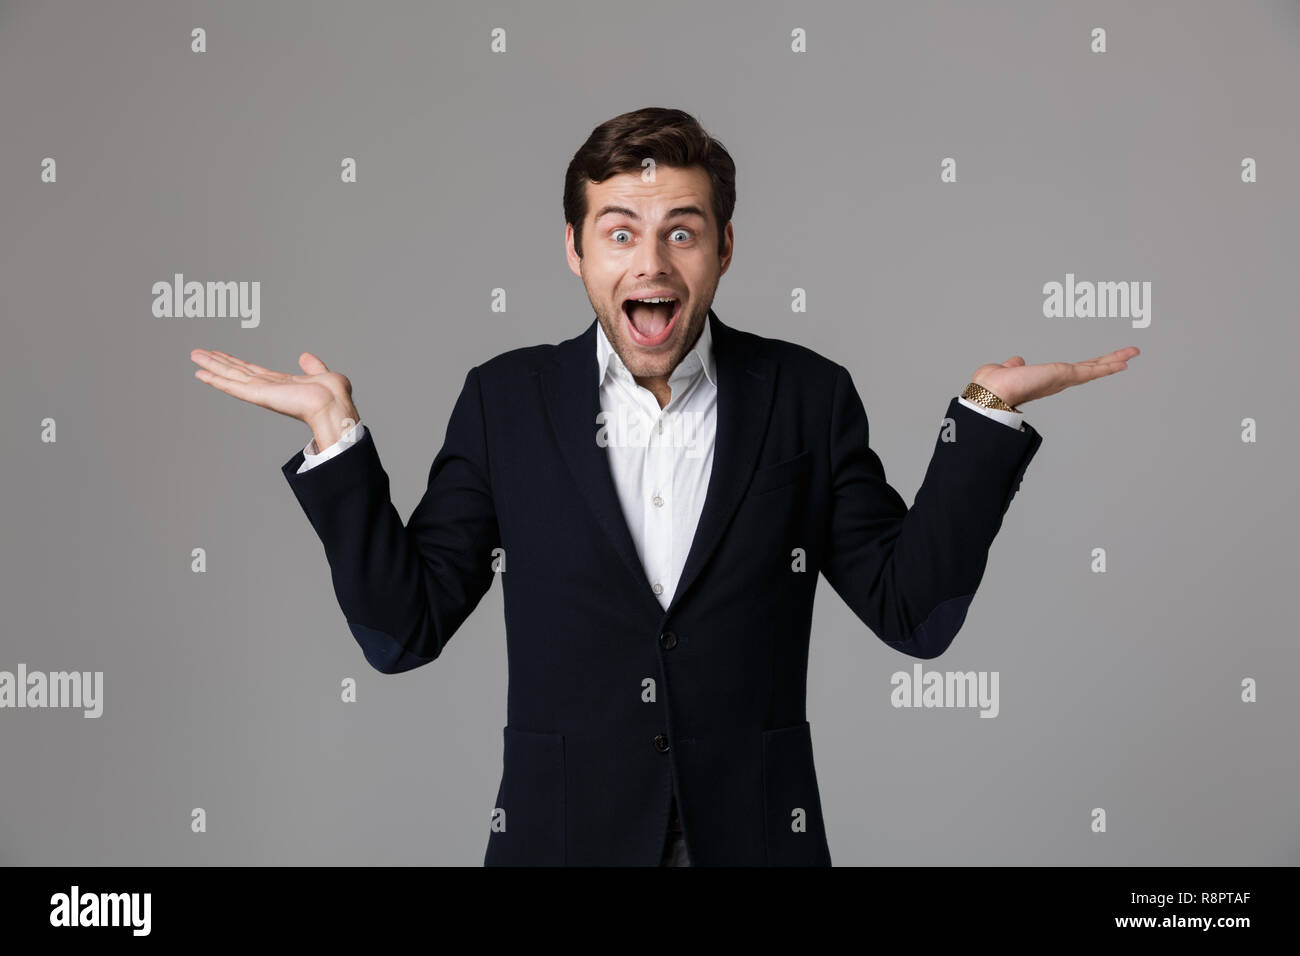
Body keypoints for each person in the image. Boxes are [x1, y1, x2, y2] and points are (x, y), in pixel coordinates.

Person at [190, 106, 1137, 866]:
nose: (651, 262)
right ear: (577, 251)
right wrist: (334, 437)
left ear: (724, 248)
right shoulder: (504, 402)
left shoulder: (807, 397)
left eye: (682, 233)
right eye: (620, 234)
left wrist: (984, 419)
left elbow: (914, 614)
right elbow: (404, 632)